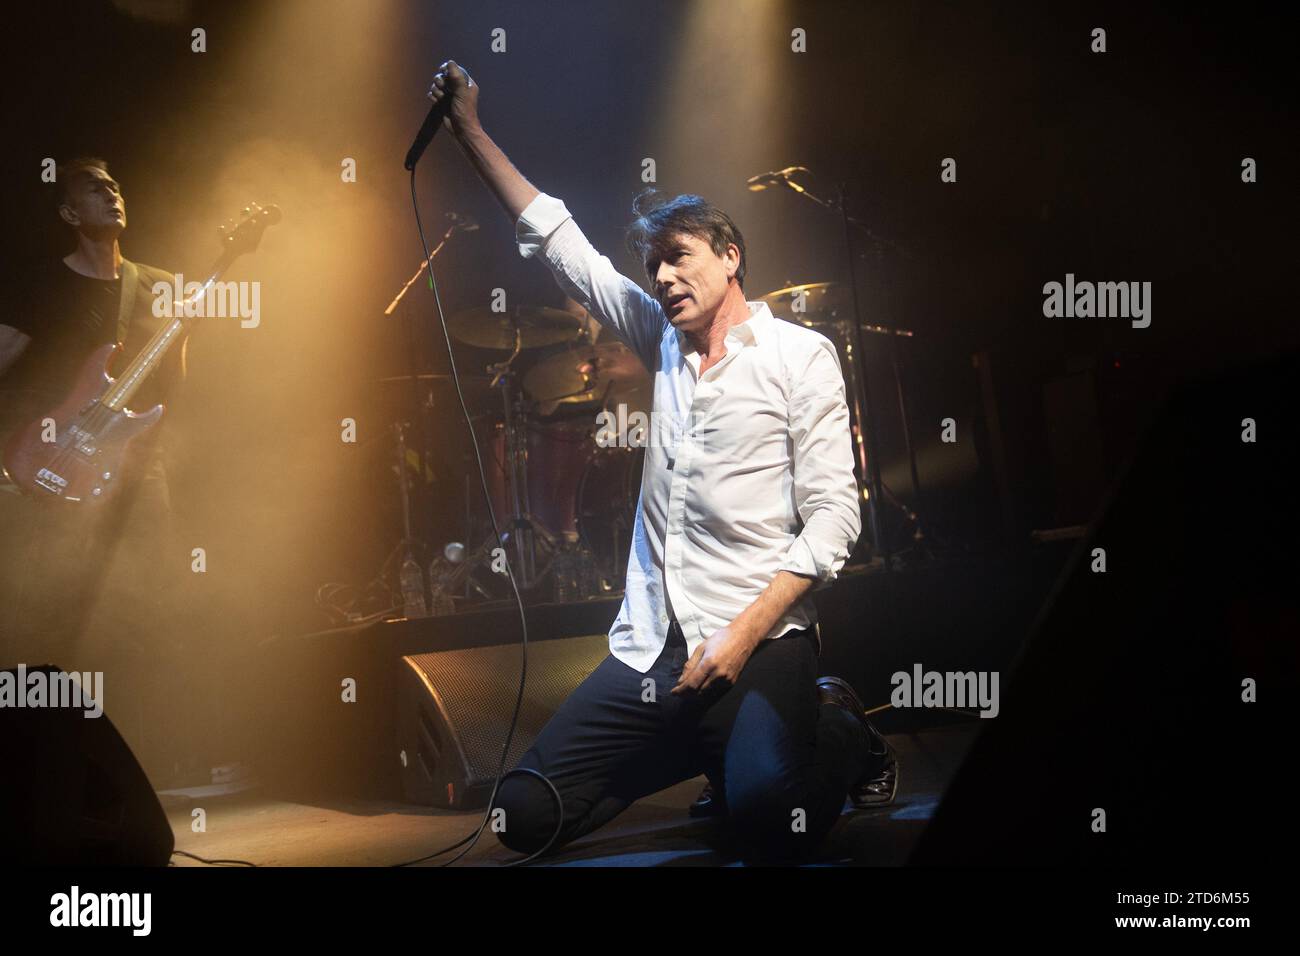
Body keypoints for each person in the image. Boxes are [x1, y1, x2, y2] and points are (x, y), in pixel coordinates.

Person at [432, 61, 897, 863]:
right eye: (654, 266)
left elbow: (834, 519)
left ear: (730, 255)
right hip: (655, 649)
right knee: (521, 818)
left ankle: (843, 730)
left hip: (762, 642)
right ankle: (706, 746)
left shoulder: (799, 355)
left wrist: (743, 635)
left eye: (679, 257)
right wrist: (469, 130)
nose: (664, 277)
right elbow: (564, 247)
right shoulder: (661, 340)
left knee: (765, 821)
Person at [0, 157, 187, 713]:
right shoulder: (43, 284)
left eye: (114, 185)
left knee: (146, 600)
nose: (111, 193)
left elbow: (173, 387)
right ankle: (50, 730)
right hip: (59, 460)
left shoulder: (160, 285)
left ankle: (142, 728)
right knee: (55, 605)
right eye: (94, 188)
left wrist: (181, 336)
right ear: (68, 213)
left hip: (134, 466)